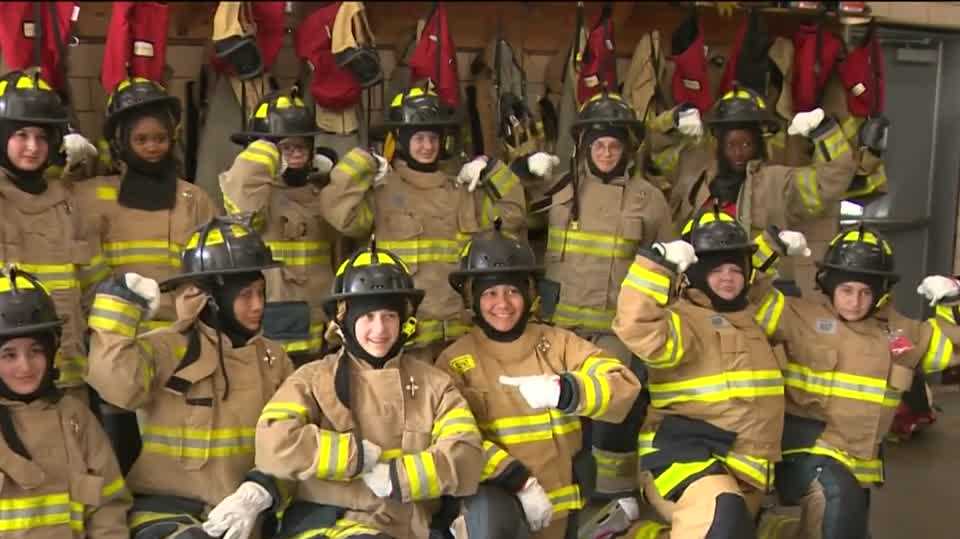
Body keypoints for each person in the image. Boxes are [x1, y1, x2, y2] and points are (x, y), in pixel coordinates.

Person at [85, 216, 295, 539]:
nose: (257, 305)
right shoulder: (170, 347)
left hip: (244, 514)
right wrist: (118, 310)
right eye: (245, 295)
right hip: (166, 510)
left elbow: (293, 444)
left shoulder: (274, 360)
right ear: (213, 298)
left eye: (260, 292)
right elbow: (116, 386)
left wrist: (261, 491)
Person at [255, 244, 483, 539]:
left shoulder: (434, 385)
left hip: (411, 528)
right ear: (344, 320)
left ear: (405, 321)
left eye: (389, 315)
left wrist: (398, 477)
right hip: (331, 526)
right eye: (368, 316)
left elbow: (466, 453)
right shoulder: (312, 379)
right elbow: (272, 441)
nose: (380, 329)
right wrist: (352, 457)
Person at [751, 225, 960, 539]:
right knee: (834, 496)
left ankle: (771, 532)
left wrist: (953, 304)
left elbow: (951, 349)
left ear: (880, 292)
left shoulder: (902, 332)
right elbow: (744, 294)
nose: (855, 301)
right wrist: (768, 248)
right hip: (804, 451)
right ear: (830, 286)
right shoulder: (797, 316)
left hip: (859, 466)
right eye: (847, 290)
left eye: (866, 292)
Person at [435, 226, 643, 539]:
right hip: (500, 509)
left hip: (564, 510)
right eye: (490, 293)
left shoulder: (558, 343)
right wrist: (519, 483)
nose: (502, 303)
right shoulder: (455, 361)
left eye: (512, 291)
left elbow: (623, 385)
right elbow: (455, 442)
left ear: (530, 295)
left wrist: (569, 391)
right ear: (472, 299)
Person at [518, 90, 674, 503]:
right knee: (557, 418)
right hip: (560, 331)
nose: (605, 153)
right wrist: (520, 169)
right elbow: (512, 218)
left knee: (613, 416)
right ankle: (556, 497)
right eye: (598, 145)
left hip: (616, 334)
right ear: (585, 147)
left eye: (613, 145)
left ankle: (614, 502)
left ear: (626, 149)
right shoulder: (560, 188)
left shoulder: (648, 199)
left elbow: (667, 265)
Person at [615, 208, 798, 538]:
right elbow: (635, 325)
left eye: (735, 269)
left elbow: (757, 284)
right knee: (722, 519)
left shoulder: (752, 315)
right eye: (715, 270)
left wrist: (771, 246)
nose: (727, 277)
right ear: (695, 274)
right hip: (685, 457)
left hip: (747, 467)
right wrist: (656, 265)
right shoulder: (681, 320)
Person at [72, 76, 220, 475]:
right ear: (121, 142)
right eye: (141, 140)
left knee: (173, 441)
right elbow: (82, 263)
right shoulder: (91, 196)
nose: (153, 147)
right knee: (118, 442)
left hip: (181, 337)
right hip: (116, 339)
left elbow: (211, 266)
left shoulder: (194, 198)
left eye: (160, 138)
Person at [321, 86, 528, 360]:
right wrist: (362, 162)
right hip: (404, 340)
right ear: (400, 140)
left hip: (461, 338)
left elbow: (512, 217)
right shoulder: (381, 192)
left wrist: (492, 169)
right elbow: (340, 216)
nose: (428, 146)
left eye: (433, 138)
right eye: (419, 138)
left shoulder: (463, 191)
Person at [645, 87, 859, 296]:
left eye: (747, 144)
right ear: (718, 144)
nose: (739, 152)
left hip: (758, 294)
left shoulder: (778, 183)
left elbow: (833, 177)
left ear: (759, 144)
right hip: (697, 293)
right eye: (731, 144)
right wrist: (671, 122)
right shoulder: (694, 176)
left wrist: (824, 132)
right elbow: (650, 151)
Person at [0, 267, 130, 538]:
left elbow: (109, 507)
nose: (25, 367)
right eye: (8, 355)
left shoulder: (75, 418)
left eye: (36, 351)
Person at [220, 87, 340, 366]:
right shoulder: (254, 194)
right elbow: (244, 208)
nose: (295, 154)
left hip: (319, 320)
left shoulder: (320, 192)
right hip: (274, 322)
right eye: (286, 147)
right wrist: (267, 150)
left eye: (301, 146)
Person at [0, 70, 101, 396]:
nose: (33, 147)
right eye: (22, 135)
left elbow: (93, 288)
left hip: (70, 376)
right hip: (8, 381)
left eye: (42, 137)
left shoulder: (69, 204)